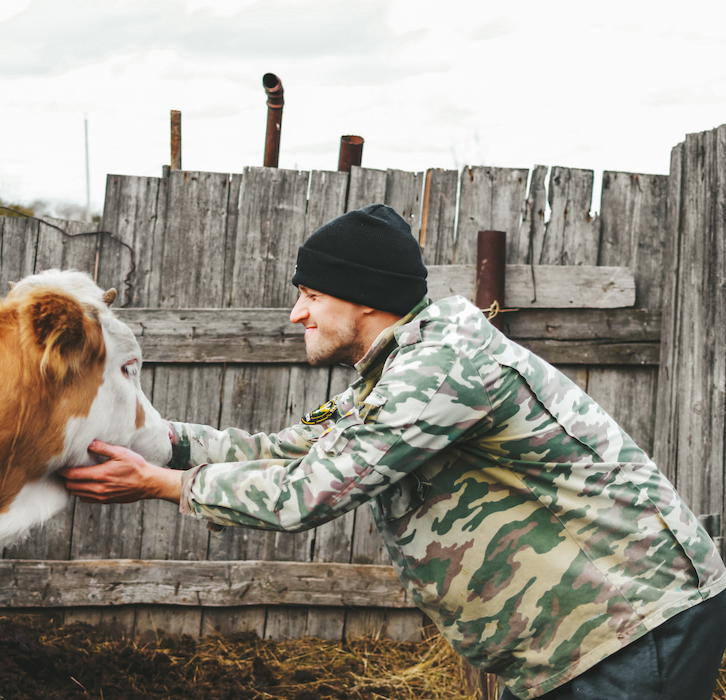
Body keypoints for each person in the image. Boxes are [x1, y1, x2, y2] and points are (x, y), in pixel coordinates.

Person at [60, 203, 726, 700]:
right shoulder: (395, 374)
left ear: (366, 299)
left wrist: (162, 485)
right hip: (580, 635)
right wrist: (160, 442)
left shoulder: (440, 371)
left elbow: (306, 492)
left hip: (634, 621)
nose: (296, 314)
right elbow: (285, 452)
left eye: (311, 295)